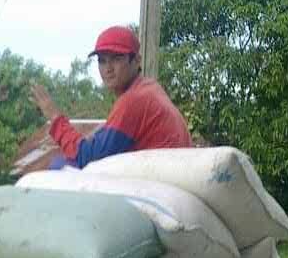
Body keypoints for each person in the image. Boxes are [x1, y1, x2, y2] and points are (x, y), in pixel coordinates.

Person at [30, 24, 192, 168]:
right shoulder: (149, 89)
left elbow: (87, 157)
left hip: (158, 184)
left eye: (116, 59)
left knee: (58, 166)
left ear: (136, 61)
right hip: (162, 178)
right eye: (102, 60)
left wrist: (54, 116)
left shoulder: (135, 99)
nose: (108, 68)